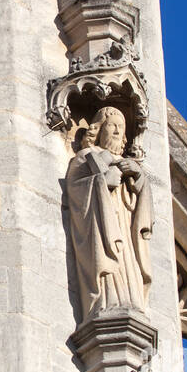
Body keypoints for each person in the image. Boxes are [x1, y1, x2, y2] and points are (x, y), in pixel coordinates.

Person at [66, 105, 152, 320]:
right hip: (102, 229)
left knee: (127, 265)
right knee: (110, 271)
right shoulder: (87, 156)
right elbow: (75, 190)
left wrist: (138, 179)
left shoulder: (128, 162)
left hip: (123, 229)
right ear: (99, 129)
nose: (117, 131)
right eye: (112, 126)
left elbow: (139, 204)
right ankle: (106, 303)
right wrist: (102, 182)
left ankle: (132, 301)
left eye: (121, 127)